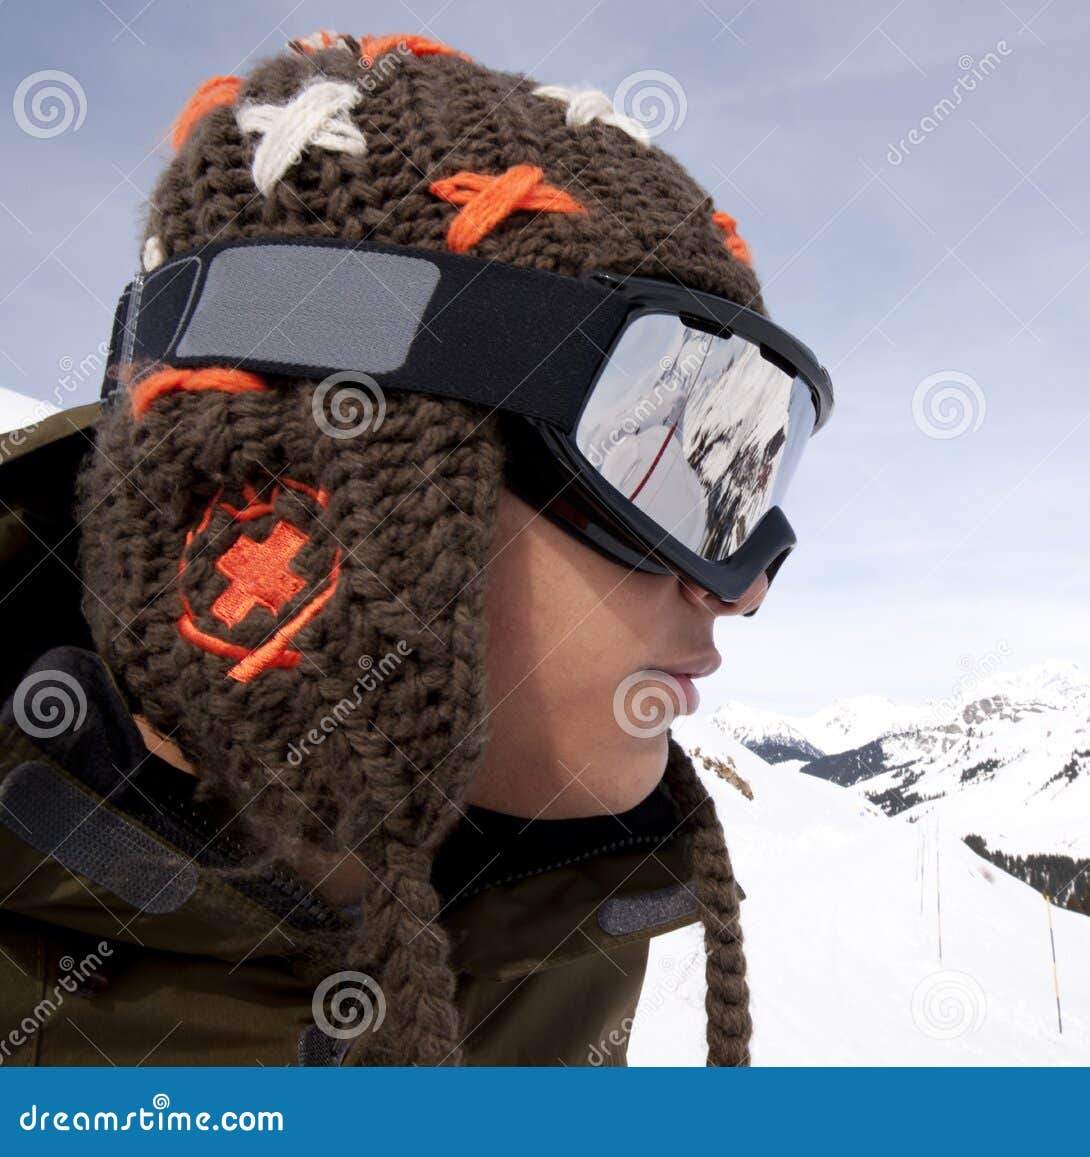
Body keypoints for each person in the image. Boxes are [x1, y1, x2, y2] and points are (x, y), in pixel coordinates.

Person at [0, 31, 832, 1067]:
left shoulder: (561, 910)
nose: (742, 584)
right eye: (659, 455)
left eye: (753, 471)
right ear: (350, 468)